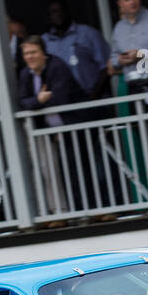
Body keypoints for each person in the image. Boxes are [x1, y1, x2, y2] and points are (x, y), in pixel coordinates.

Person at [18, 36, 86, 218]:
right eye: (26, 53)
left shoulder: (58, 66)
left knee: (77, 168)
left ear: (44, 53)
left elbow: (59, 98)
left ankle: (86, 211)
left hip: (72, 125)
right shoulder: (25, 74)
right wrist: (38, 100)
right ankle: (60, 212)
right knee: (48, 170)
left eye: (33, 52)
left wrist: (37, 102)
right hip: (47, 130)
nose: (30, 57)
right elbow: (22, 102)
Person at [43, 0, 111, 98]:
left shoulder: (88, 33)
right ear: (49, 17)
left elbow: (107, 67)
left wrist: (94, 96)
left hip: (93, 98)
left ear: (68, 12)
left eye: (61, 10)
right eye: (53, 12)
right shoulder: (44, 42)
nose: (58, 14)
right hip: (62, 101)